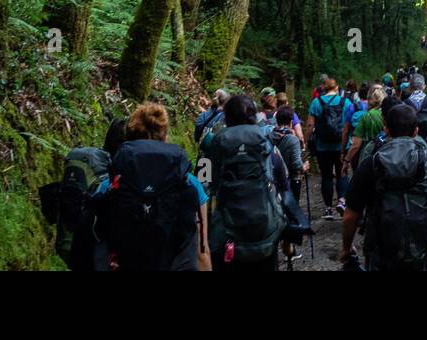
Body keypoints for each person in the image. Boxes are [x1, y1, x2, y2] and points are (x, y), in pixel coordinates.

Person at [340, 103, 427, 271]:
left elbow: (350, 217)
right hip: (422, 257)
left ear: (386, 130)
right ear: (416, 131)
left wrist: (346, 248)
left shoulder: (371, 164)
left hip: (381, 256)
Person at [95, 102, 211, 271]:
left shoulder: (111, 185)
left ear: (129, 138)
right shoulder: (189, 183)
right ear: (165, 137)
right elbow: (201, 250)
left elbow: (100, 244)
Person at [203, 95, 288, 271]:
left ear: (226, 117)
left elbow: (205, 184)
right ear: (254, 116)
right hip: (265, 230)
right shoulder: (266, 141)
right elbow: (283, 184)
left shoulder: (215, 142)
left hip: (227, 232)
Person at [306, 77, 348, 220]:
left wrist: (306, 141)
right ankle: (342, 201)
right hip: (341, 145)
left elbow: (311, 125)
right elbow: (349, 124)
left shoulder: (316, 102)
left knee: (326, 176)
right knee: (342, 172)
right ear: (337, 88)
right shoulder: (345, 102)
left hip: (322, 145)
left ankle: (328, 208)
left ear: (324, 88)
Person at [270, 105, 307, 202]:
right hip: (289, 181)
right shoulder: (292, 140)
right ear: (291, 122)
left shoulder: (269, 136)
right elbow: (296, 165)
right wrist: (304, 166)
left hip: (273, 178)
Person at [344, 84, 384, 170]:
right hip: (384, 154)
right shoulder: (387, 113)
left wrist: (346, 160)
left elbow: (356, 144)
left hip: (367, 154)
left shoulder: (367, 116)